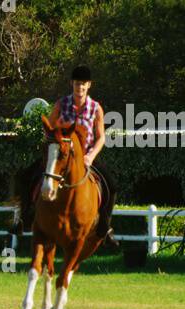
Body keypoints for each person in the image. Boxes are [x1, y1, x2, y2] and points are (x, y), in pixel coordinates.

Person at [14, 66, 119, 246]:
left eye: (83, 84)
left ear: (89, 85)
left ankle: (104, 228)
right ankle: (25, 218)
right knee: (25, 177)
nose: (80, 87)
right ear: (72, 83)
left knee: (112, 186)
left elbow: (101, 137)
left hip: (85, 157)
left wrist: (91, 156)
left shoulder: (96, 108)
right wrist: (52, 147)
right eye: (77, 84)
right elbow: (49, 128)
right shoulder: (60, 104)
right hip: (60, 157)